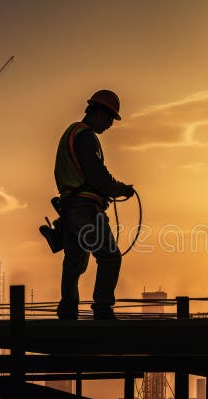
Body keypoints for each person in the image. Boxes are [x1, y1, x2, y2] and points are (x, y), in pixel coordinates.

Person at [54, 90, 134, 320]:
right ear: (98, 112)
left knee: (74, 262)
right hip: (85, 209)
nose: (110, 124)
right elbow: (98, 176)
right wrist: (121, 189)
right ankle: (103, 308)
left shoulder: (71, 133)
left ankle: (67, 310)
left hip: (70, 208)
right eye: (109, 118)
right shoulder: (86, 137)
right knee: (110, 256)